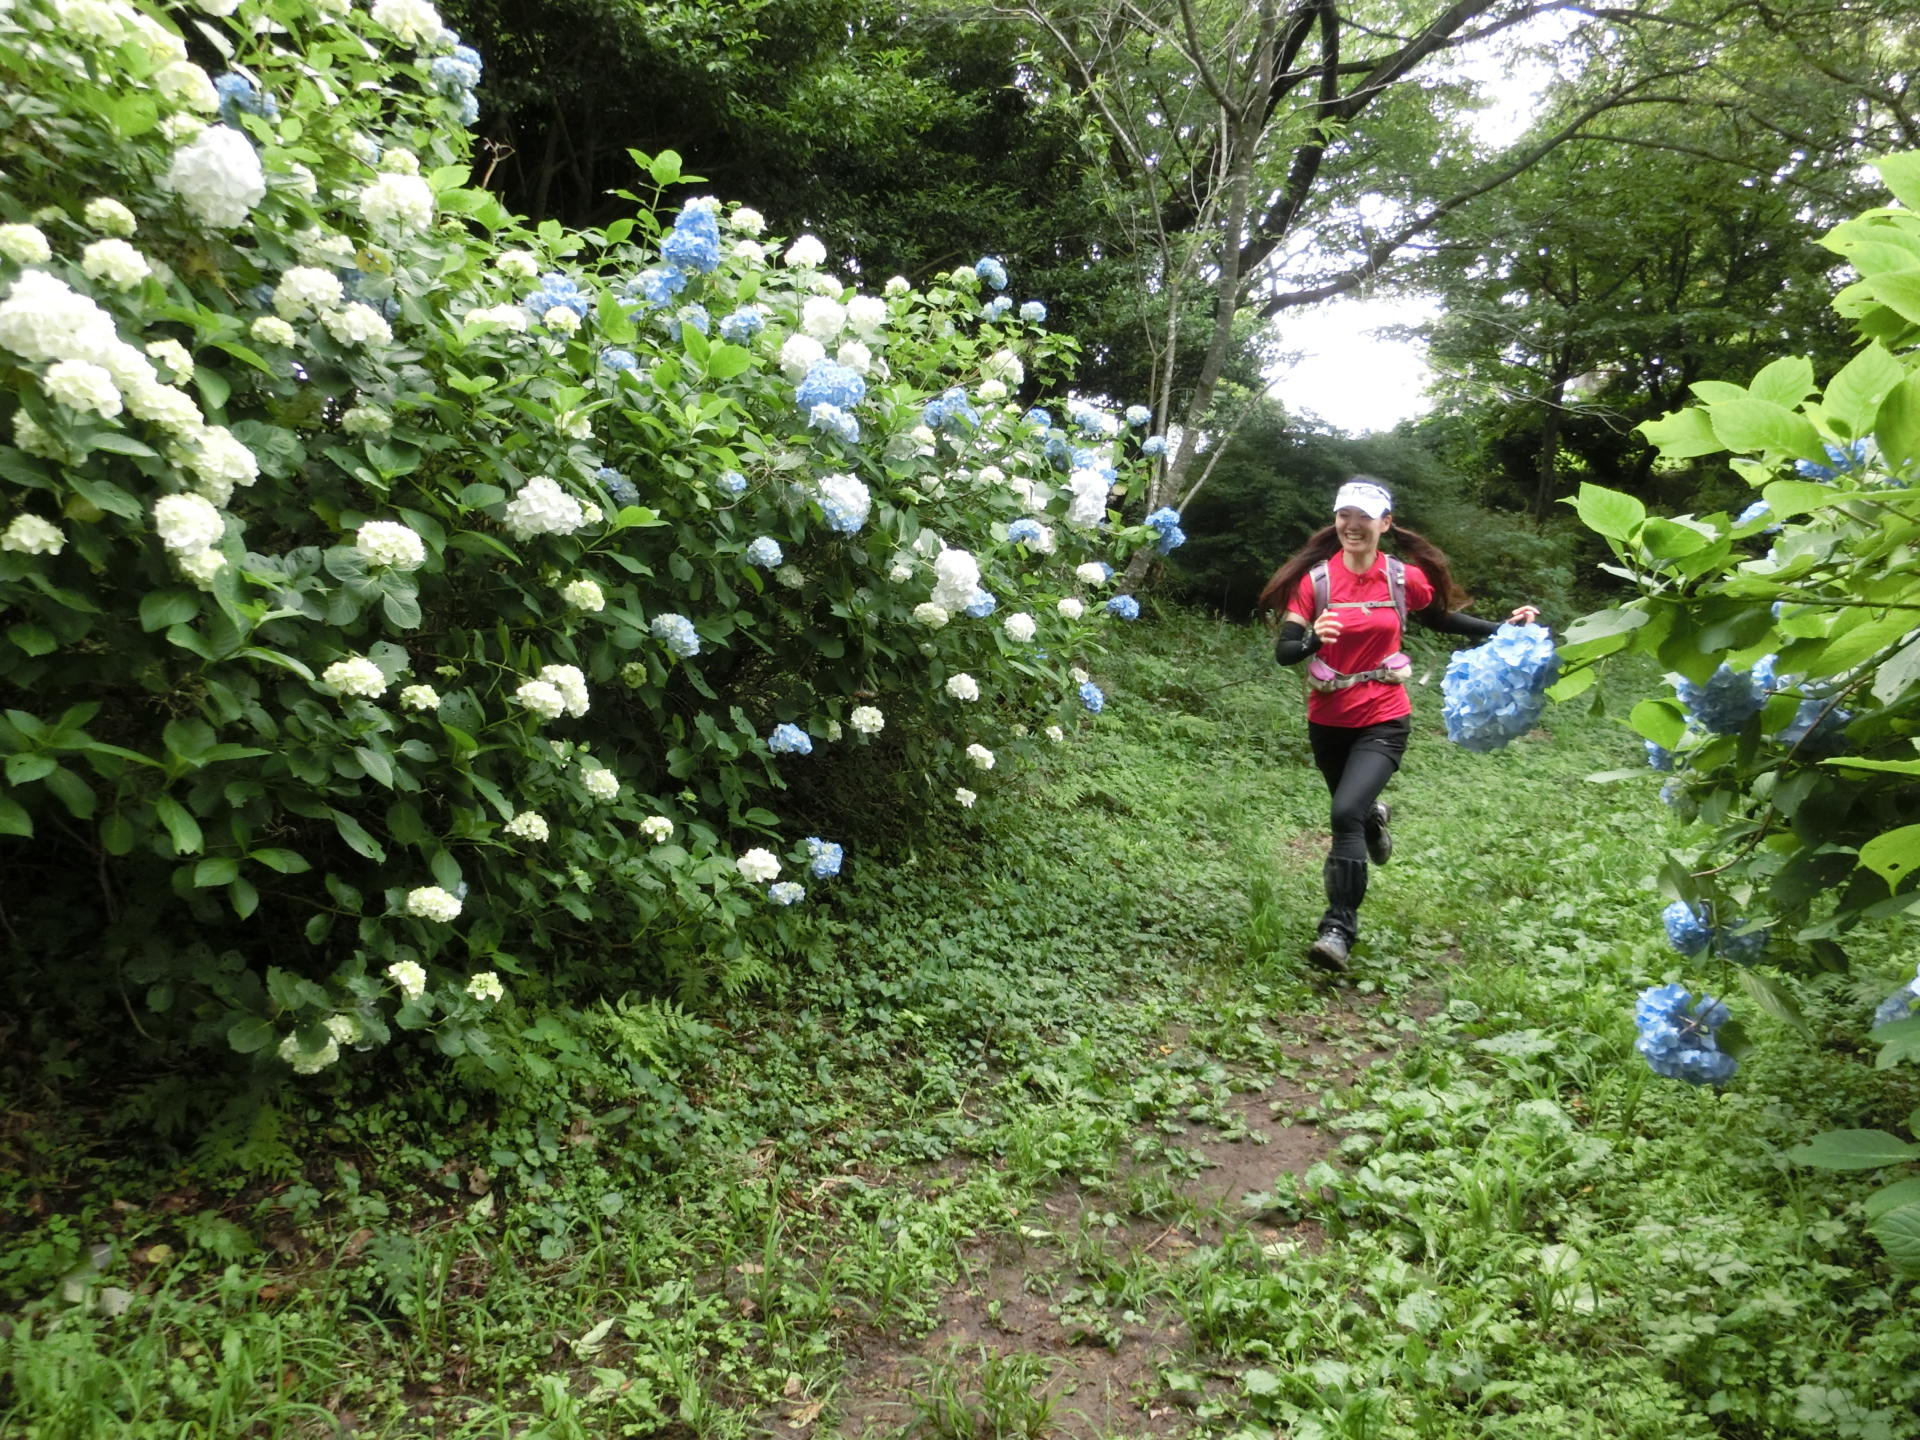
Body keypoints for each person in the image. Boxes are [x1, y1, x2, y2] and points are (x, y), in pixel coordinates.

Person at [1257, 477, 1540, 971]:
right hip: (1327, 718)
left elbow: (1441, 620)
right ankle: (1374, 816)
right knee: (1353, 807)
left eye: (1364, 517)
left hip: (1384, 716)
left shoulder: (1401, 578)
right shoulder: (1316, 582)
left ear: (1385, 524)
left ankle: (1338, 930)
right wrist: (1314, 641)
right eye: (1345, 514)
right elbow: (1285, 653)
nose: (1352, 525)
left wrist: (1503, 628)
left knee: (1343, 812)